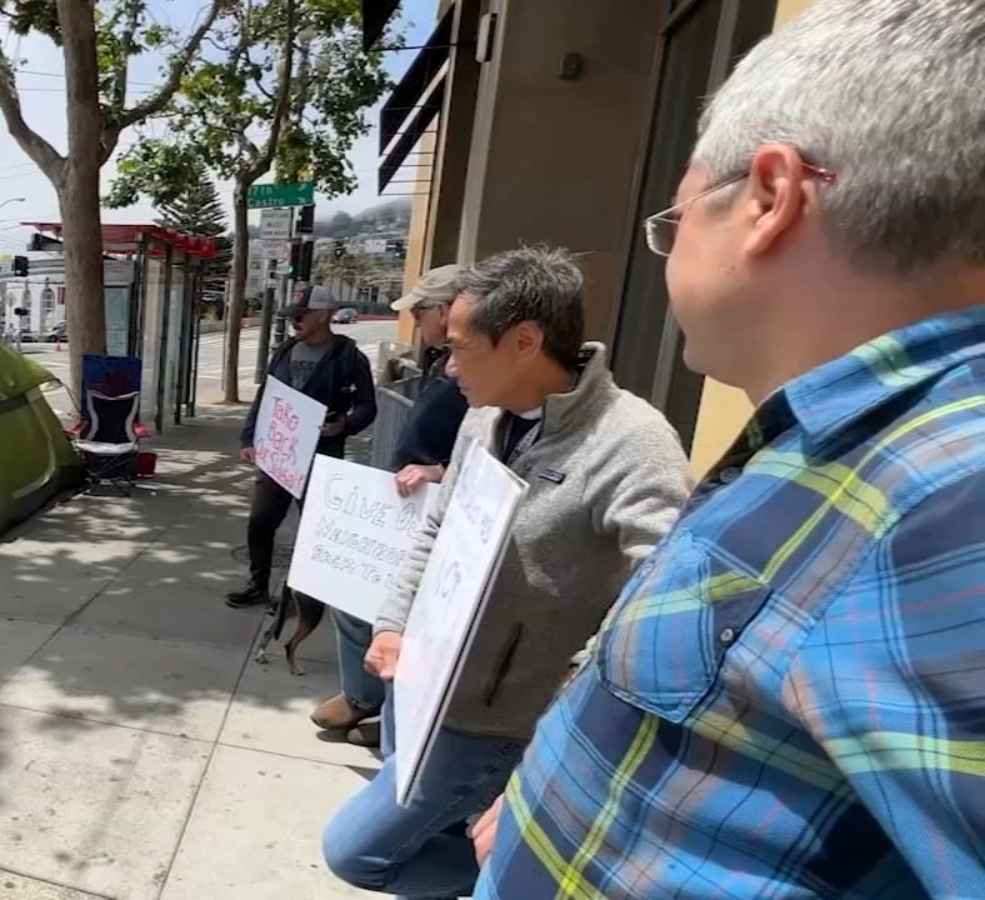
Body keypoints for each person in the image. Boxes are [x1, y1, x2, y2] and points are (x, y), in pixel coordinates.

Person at [471, 3, 985, 897]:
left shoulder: (948, 500)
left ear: (770, 199)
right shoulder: (846, 448)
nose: (666, 255)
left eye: (673, 220)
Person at [322, 246, 690, 898]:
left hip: (495, 720)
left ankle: (538, 873)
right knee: (423, 834)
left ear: (524, 341)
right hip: (423, 682)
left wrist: (565, 717)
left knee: (356, 853)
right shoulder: (483, 416)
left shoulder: (632, 443)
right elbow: (438, 531)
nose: (447, 365)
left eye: (462, 348)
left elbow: (666, 594)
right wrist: (392, 623)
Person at [310, 264, 471, 748]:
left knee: (402, 618)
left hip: (445, 514)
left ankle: (392, 717)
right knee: (355, 598)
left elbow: (498, 452)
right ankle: (366, 698)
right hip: (410, 506)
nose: (416, 321)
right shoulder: (446, 360)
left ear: (447, 310)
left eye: (421, 311)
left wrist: (440, 471)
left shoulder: (481, 372)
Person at [227, 285, 377, 609]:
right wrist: (248, 438)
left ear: (324, 315)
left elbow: (368, 406)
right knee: (261, 521)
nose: (295, 321)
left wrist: (344, 426)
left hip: (321, 455)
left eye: (301, 315)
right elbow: (265, 396)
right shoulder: (284, 351)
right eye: (292, 316)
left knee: (311, 528)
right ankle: (257, 584)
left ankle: (298, 597)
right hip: (279, 453)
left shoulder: (349, 356)